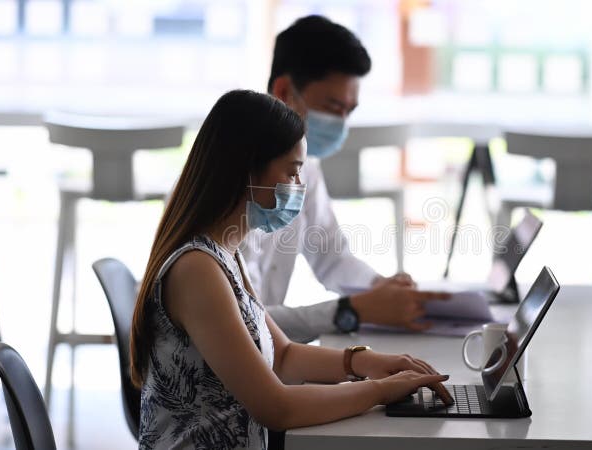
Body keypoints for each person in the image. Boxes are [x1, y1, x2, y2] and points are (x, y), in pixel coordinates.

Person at [130, 90, 450, 450]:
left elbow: (283, 356)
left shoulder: (224, 253)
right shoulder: (196, 271)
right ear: (247, 168)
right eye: (293, 171)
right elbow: (276, 408)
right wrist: (378, 390)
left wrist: (364, 362)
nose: (299, 187)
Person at [242, 15, 449, 343]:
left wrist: (380, 289)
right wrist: (352, 310)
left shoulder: (303, 163)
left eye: (348, 111)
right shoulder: (235, 175)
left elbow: (331, 255)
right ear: (284, 90)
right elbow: (245, 323)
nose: (340, 123)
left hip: (267, 358)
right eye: (332, 106)